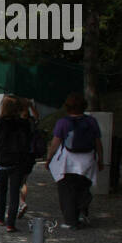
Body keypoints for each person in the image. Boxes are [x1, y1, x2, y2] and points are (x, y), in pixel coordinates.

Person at [46, 92, 103, 230]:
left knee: (67, 191)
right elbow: (98, 142)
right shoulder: (91, 121)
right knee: (83, 188)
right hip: (87, 160)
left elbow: (55, 143)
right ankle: (82, 211)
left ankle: (71, 220)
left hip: (68, 162)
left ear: (67, 107)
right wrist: (101, 159)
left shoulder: (63, 122)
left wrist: (49, 158)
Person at [0, 95, 31, 232]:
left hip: (2, 160)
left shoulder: (0, 122)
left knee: (2, 190)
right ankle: (11, 223)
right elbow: (28, 141)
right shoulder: (23, 123)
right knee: (14, 193)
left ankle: (0, 216)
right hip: (18, 161)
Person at [18, 99, 44, 218]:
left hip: (18, 154)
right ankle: (21, 202)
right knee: (23, 181)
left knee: (14, 181)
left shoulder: (16, 122)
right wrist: (31, 106)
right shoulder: (32, 121)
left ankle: (20, 204)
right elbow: (37, 117)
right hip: (30, 154)